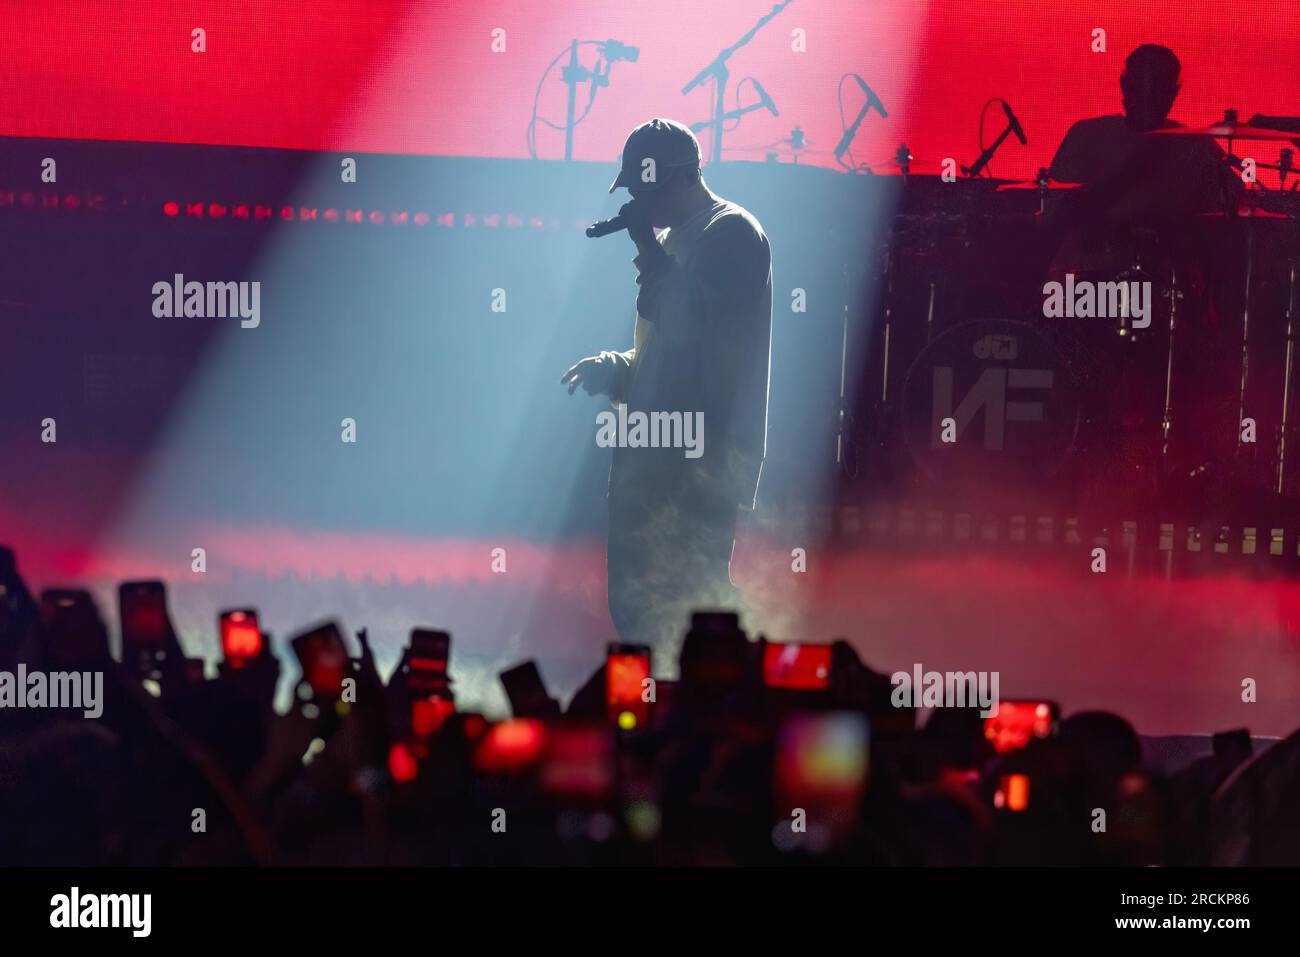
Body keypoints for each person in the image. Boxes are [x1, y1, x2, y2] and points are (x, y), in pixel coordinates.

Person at [561, 119, 773, 669]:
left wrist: (643, 245)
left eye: (643, 189)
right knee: (638, 609)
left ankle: (713, 704)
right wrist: (615, 368)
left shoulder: (731, 234)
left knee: (687, 616)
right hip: (657, 456)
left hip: (696, 464)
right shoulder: (680, 239)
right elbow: (664, 356)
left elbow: (690, 326)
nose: (636, 201)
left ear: (679, 178)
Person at [1048, 43, 1241, 224]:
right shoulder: (1086, 137)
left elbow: (1233, 200)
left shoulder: (1197, 146)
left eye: (1158, 88)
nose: (1148, 95)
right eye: (1140, 85)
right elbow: (1056, 201)